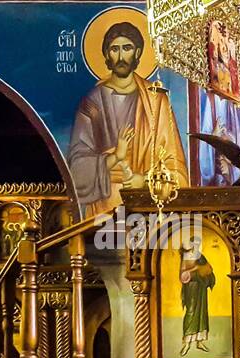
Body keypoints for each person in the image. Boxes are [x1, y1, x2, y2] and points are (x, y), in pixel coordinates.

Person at [68, 20, 188, 219]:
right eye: (114, 49)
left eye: (127, 48)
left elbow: (175, 167)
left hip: (147, 210)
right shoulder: (92, 102)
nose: (121, 56)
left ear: (138, 52)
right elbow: (76, 168)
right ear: (107, 54)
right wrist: (110, 161)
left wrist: (144, 180)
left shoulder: (156, 100)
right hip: (103, 212)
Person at [179, 237, 216, 355]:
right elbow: (182, 273)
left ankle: (199, 342)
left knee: (202, 313)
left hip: (201, 287)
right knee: (191, 312)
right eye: (194, 243)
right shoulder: (186, 256)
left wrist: (199, 269)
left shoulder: (200, 255)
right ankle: (187, 343)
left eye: (198, 243)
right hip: (191, 287)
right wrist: (196, 269)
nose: (196, 245)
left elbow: (209, 269)